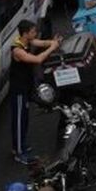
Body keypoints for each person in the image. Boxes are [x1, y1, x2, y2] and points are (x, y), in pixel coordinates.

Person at [9, 20, 60, 164]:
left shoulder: (27, 42)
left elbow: (42, 43)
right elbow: (37, 59)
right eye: (33, 31)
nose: (35, 33)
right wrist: (52, 48)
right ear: (25, 33)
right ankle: (18, 152)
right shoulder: (17, 50)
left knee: (24, 119)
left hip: (26, 87)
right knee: (19, 120)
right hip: (18, 90)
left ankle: (19, 145)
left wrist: (53, 42)